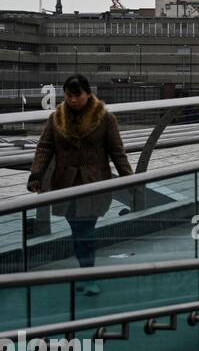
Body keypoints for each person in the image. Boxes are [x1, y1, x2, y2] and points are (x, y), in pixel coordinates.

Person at [26, 74, 133, 293]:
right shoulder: (56, 118)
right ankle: (85, 272)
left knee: (85, 228)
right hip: (64, 183)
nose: (73, 100)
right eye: (69, 95)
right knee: (77, 228)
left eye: (77, 95)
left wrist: (129, 177)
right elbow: (45, 147)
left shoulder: (105, 118)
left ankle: (88, 275)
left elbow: (116, 150)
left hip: (93, 183)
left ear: (87, 94)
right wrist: (36, 175)